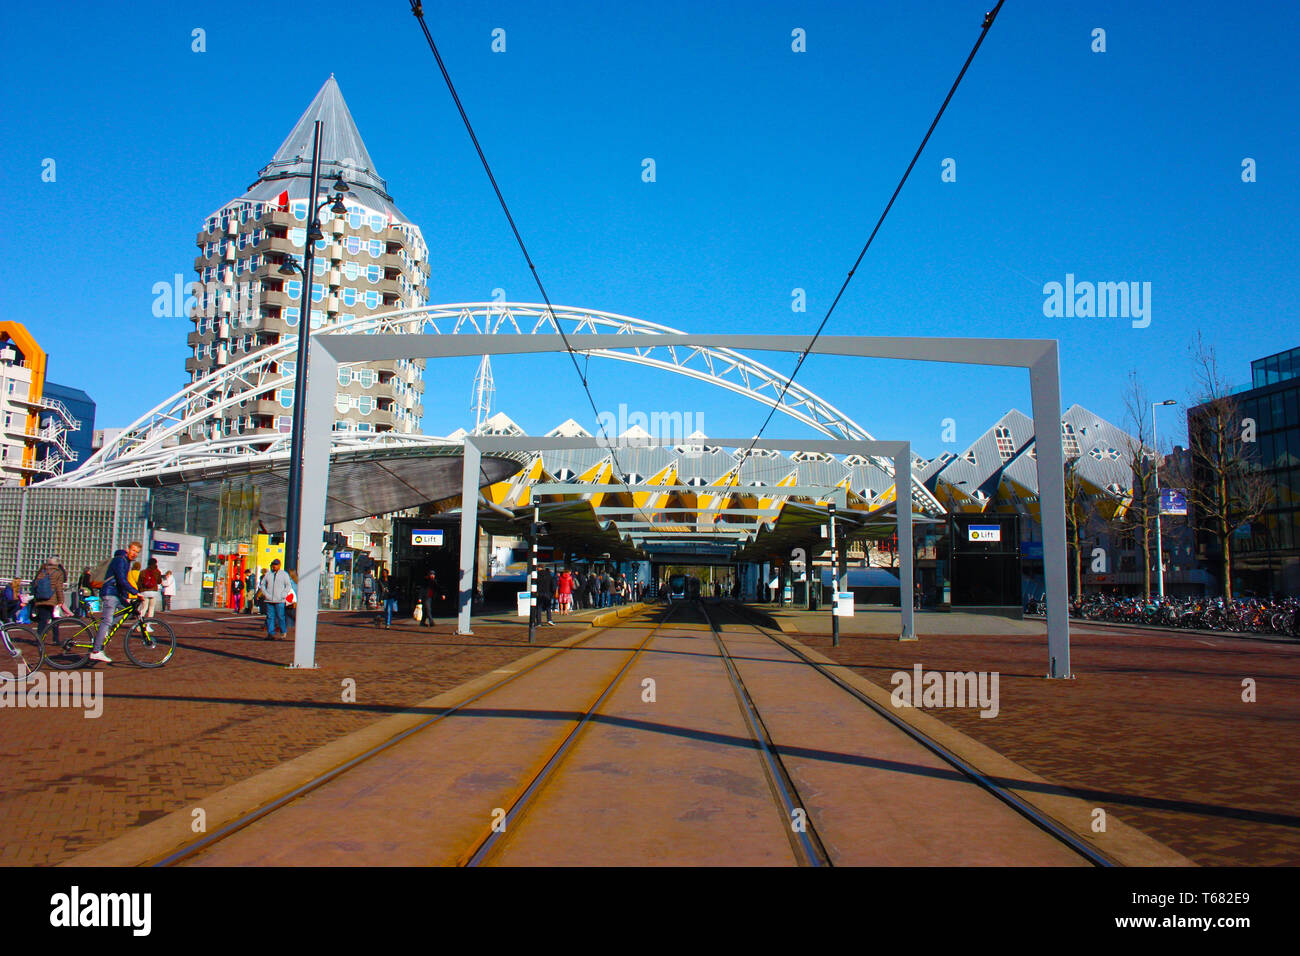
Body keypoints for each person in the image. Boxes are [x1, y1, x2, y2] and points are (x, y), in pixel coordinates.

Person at [92, 541, 142, 663]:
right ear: (128, 549)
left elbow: (122, 581)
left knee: (130, 612)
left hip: (116, 594)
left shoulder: (126, 562)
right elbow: (121, 580)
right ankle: (96, 651)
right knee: (107, 620)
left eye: (137, 552)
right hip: (110, 593)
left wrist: (126, 597)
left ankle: (106, 630)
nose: (134, 553)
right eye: (133, 550)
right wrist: (135, 592)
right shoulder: (120, 560)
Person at [30, 555, 68, 640]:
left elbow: (36, 584)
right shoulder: (58, 573)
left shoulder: (42, 571)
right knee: (55, 620)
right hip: (52, 600)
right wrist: (61, 600)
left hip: (40, 599)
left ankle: (39, 638)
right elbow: (59, 588)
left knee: (42, 621)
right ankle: (55, 639)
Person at [257, 558, 293, 640]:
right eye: (273, 564)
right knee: (270, 617)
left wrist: (283, 594)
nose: (274, 566)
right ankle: (270, 633)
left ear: (279, 565)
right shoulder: (268, 574)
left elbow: (288, 585)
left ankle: (283, 632)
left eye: (276, 565)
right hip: (269, 600)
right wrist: (266, 594)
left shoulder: (284, 574)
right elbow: (262, 584)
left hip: (280, 600)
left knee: (281, 616)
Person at [138, 557, 163, 626]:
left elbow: (139, 583)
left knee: (143, 608)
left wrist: (140, 591)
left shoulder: (143, 572)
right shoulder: (157, 572)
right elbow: (159, 581)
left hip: (144, 592)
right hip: (153, 592)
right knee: (151, 609)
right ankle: (148, 625)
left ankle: (139, 625)